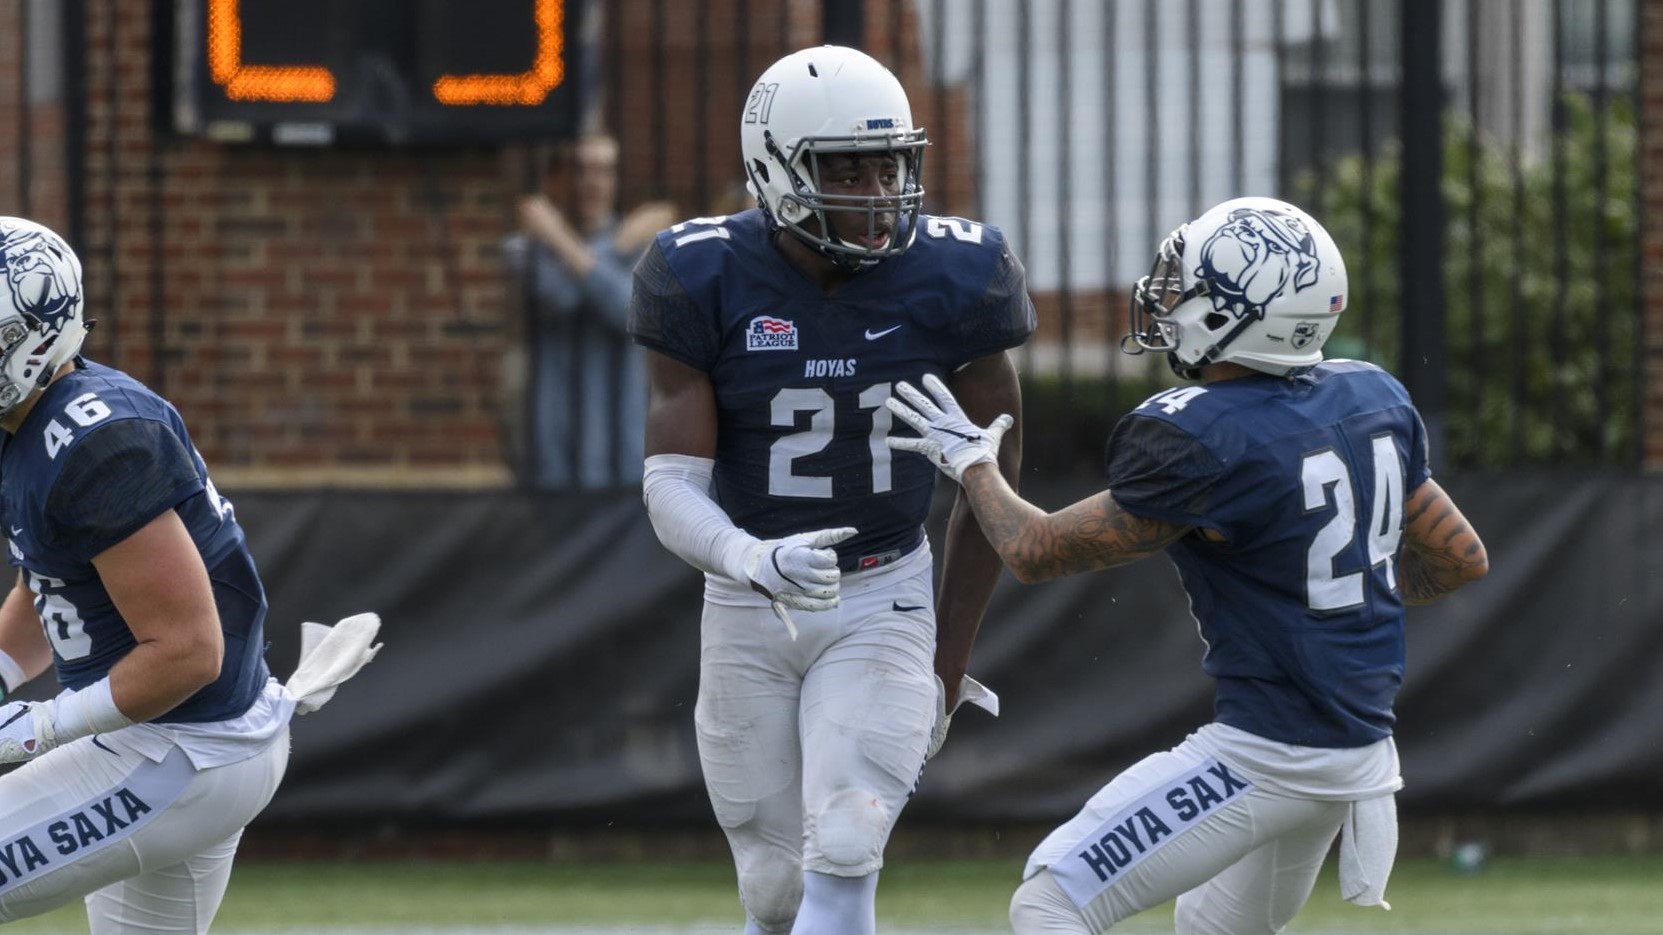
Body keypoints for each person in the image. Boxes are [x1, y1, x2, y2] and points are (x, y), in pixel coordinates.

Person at [883, 197, 1490, 935]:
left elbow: (1033, 551)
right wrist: (1355, 593)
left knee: (1049, 900)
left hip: (1267, 753)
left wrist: (973, 460)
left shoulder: (1204, 435)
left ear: (1239, 313)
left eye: (1187, 287)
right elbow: (1460, 559)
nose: (1167, 300)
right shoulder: (1368, 396)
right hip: (1357, 753)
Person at [631, 46, 1034, 935]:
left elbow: (991, 484)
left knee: (848, 843)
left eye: (888, 161)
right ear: (775, 167)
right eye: (844, 165)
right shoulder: (699, 272)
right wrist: (753, 557)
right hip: (746, 601)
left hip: (883, 593)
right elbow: (668, 486)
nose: (875, 187)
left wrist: (949, 656)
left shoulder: (955, 274)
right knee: (774, 889)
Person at [0, 217, 382, 932]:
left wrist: (41, 726)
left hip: (180, 747)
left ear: (37, 333)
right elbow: (49, 590)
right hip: (182, 743)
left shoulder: (93, 444)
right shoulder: (34, 422)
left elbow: (187, 650)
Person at [503, 133, 676, 489]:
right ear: (561, 178)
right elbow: (559, 296)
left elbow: (627, 310)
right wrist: (617, 245)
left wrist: (564, 239)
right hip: (550, 453)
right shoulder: (529, 248)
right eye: (582, 169)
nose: (593, 182)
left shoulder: (640, 245)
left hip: (620, 454)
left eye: (605, 171)